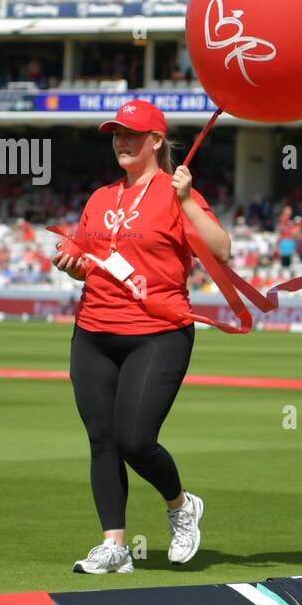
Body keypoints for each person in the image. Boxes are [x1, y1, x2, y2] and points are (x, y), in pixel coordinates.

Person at [52, 98, 231, 573]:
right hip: (93, 330)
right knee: (102, 441)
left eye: (130, 134)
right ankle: (114, 547)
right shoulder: (99, 198)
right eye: (115, 134)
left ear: (156, 140)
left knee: (135, 439)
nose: (121, 142)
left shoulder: (176, 193)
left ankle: (180, 505)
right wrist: (70, 264)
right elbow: (86, 261)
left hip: (159, 331)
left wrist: (190, 200)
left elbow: (222, 250)